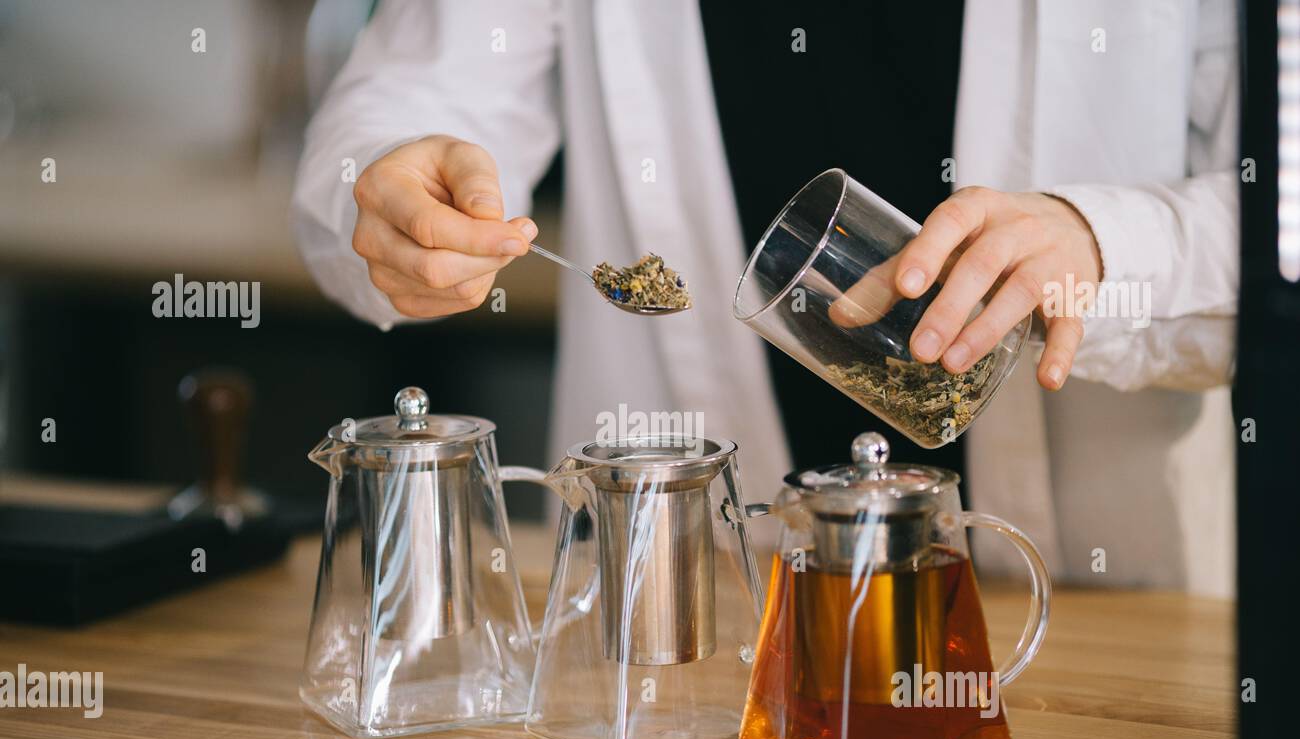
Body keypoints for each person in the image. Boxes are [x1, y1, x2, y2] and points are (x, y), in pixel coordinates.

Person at [293, 0, 1239, 593]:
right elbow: (402, 103)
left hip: (1108, 609)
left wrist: (1106, 241)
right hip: (690, 615)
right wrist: (386, 186)